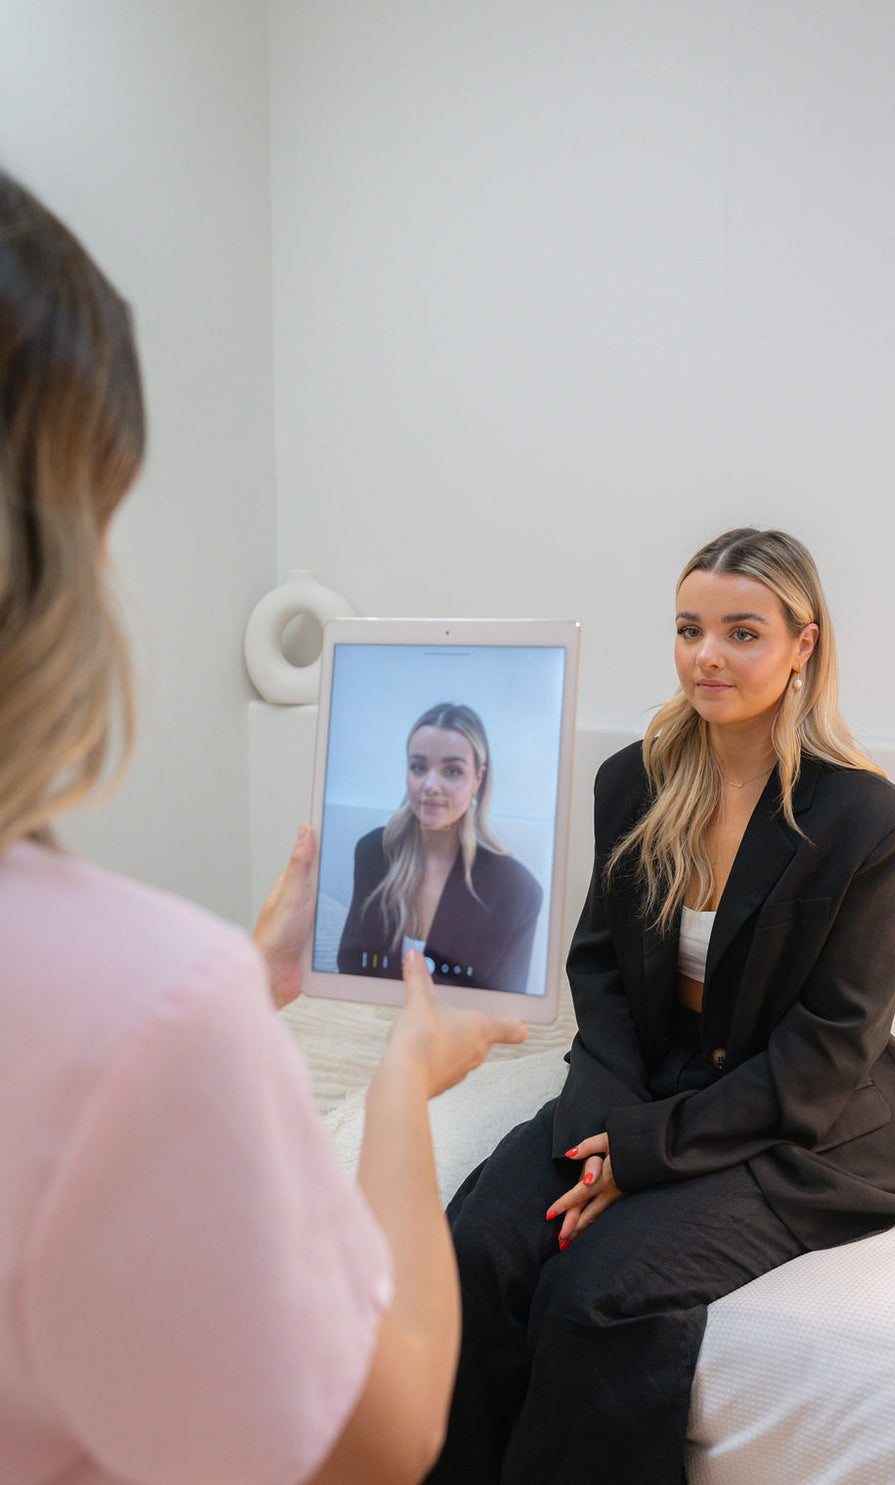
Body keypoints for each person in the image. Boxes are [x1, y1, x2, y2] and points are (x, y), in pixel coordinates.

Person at [0, 170, 528, 1485]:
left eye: (451, 764)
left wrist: (247, 983)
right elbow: (382, 1436)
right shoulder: (164, 987)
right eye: (101, 520)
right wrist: (402, 1076)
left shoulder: (509, 892)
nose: (429, 783)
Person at [426, 527, 895, 1485]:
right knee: (476, 1247)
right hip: (649, 1082)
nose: (707, 655)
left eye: (742, 632)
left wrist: (641, 1155)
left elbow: (823, 1057)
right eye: (689, 628)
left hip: (803, 1126)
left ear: (805, 643)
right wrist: (604, 1131)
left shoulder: (871, 826)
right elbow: (604, 975)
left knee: (597, 1290)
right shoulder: (635, 781)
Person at [338, 702, 543, 994]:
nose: (431, 785)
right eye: (419, 767)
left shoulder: (517, 891)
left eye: (452, 770)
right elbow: (349, 965)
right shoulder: (373, 851)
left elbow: (503, 1006)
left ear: (478, 779)